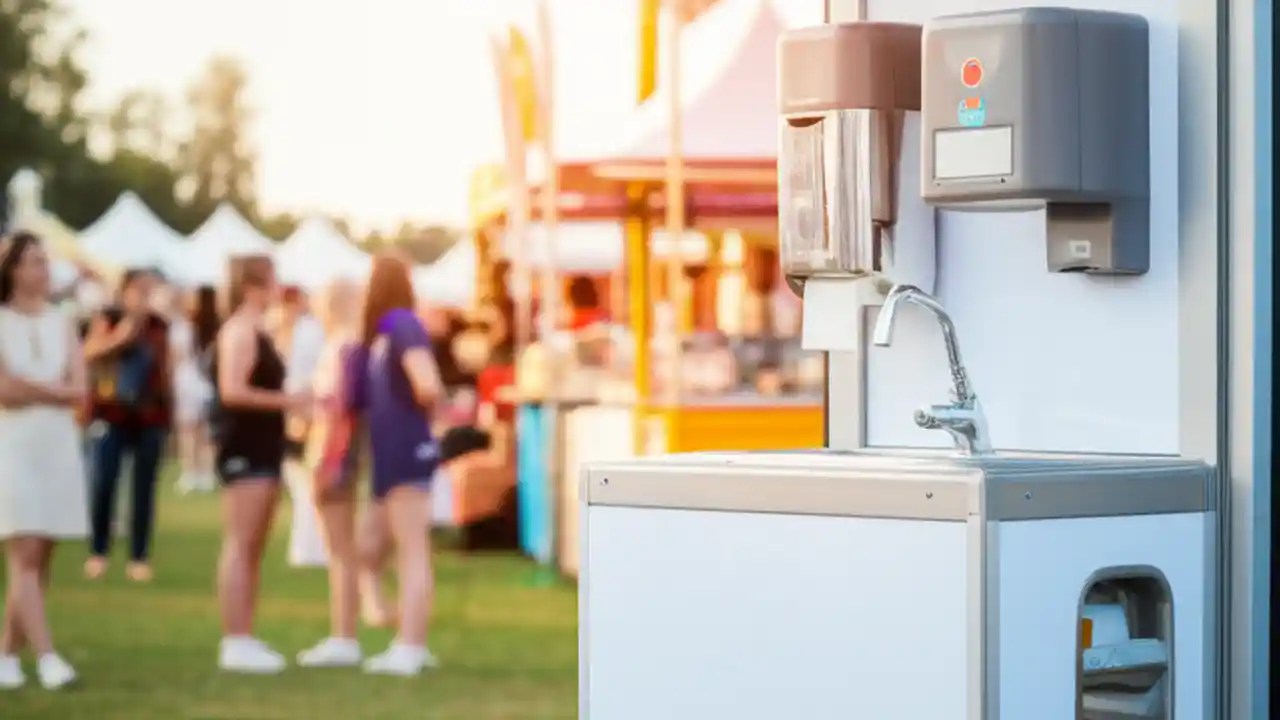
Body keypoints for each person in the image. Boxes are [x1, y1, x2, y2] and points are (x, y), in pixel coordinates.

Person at [210, 255, 308, 673]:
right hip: (245, 446)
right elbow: (232, 390)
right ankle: (234, 639)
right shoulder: (240, 331)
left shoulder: (258, 330)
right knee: (240, 542)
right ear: (254, 286)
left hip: (263, 446)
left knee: (252, 546)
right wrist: (291, 402)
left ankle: (245, 635)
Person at [0, 232, 87, 690]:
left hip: (57, 444)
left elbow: (81, 387)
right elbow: (6, 393)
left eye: (44, 261)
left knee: (42, 554)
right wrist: (54, 391)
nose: (42, 270)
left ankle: (6, 655)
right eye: (33, 261)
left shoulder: (62, 321)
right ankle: (48, 657)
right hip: (14, 446)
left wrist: (38, 389)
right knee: (25, 552)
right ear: (12, 269)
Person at [355, 254, 444, 674]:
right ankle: (398, 623)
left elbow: (427, 383)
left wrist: (428, 412)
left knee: (411, 551)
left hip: (407, 448)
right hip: (390, 453)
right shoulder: (386, 331)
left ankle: (410, 645)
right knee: (368, 546)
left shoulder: (400, 325)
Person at [81, 268, 171, 583]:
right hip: (111, 412)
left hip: (150, 415)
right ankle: (99, 551)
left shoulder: (160, 325)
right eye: (141, 288)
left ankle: (139, 556)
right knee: (104, 483)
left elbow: (166, 368)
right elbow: (88, 353)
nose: (147, 294)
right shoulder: (109, 318)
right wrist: (123, 334)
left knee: (143, 488)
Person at [296, 278, 368, 667]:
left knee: (340, 550)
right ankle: (344, 632)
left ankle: (344, 635)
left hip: (333, 454)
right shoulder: (350, 346)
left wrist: (328, 463)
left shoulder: (342, 347)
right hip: (336, 452)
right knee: (343, 550)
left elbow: (340, 412)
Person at [274, 287, 328, 568]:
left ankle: (308, 547)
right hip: (297, 409)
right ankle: (309, 547)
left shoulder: (295, 330)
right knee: (303, 481)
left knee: (303, 481)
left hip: (296, 409)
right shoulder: (302, 330)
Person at [172, 287, 217, 494]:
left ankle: (193, 473)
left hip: (190, 384)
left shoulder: (182, 327)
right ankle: (202, 473)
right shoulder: (213, 328)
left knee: (191, 432)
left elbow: (175, 358)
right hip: (202, 385)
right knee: (202, 432)